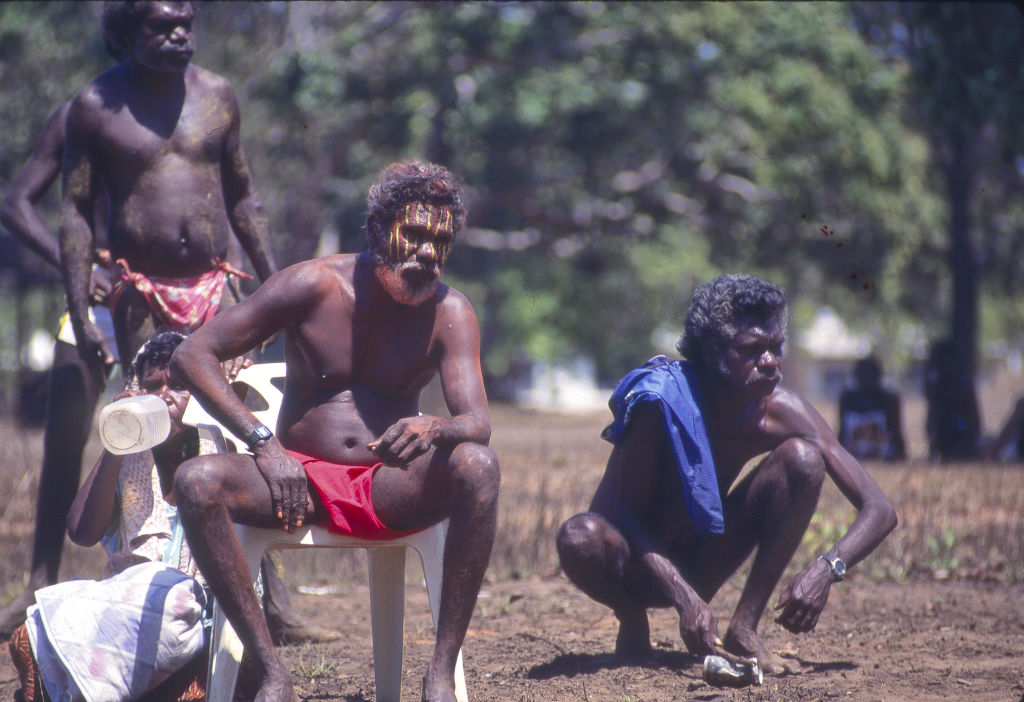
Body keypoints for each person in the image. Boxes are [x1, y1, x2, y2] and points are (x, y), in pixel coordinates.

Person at [169, 160, 500, 702]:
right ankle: (270, 666)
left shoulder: (451, 312)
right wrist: (263, 445)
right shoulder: (312, 284)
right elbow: (194, 354)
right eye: (413, 234)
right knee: (197, 481)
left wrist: (436, 426)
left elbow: (477, 424)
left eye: (439, 241)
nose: (425, 252)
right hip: (290, 481)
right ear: (378, 231)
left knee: (479, 465)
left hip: (388, 488)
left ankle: (440, 670)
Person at [556, 274, 898, 675]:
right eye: (751, 350)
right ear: (711, 350)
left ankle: (745, 628)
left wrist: (827, 568)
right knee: (578, 536)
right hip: (629, 564)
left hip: (703, 559)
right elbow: (627, 516)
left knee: (804, 459)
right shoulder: (661, 403)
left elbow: (880, 510)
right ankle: (632, 622)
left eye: (776, 347)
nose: (769, 361)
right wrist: (684, 600)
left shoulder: (783, 411)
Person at [7, 330, 258, 702]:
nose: (165, 398)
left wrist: (235, 378)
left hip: (200, 614)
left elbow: (254, 406)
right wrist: (117, 441)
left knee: (174, 600)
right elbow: (80, 531)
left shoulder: (221, 446)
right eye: (152, 387)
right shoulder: (130, 463)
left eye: (179, 386)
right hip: (132, 614)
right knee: (61, 604)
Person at [837, 356, 906, 461]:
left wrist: (900, 455)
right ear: (856, 377)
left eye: (870, 376)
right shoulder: (847, 399)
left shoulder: (888, 398)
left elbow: (896, 432)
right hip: (853, 456)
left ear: (878, 377)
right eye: (862, 376)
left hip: (883, 456)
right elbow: (842, 433)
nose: (866, 381)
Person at [923, 339, 980, 461]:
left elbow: (974, 424)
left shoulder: (964, 388)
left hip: (961, 437)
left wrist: (962, 447)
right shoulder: (937, 388)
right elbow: (931, 418)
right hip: (943, 440)